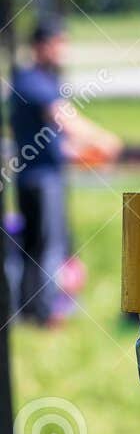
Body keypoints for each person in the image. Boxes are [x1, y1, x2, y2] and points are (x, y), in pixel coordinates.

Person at [6, 19, 119, 326]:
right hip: (42, 181)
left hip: (36, 176)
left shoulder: (31, 80)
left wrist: (85, 153)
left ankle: (28, 311)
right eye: (59, 44)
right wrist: (103, 140)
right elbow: (64, 118)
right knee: (48, 247)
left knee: (35, 245)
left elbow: (53, 142)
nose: (63, 51)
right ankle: (44, 314)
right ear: (41, 46)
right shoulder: (34, 81)